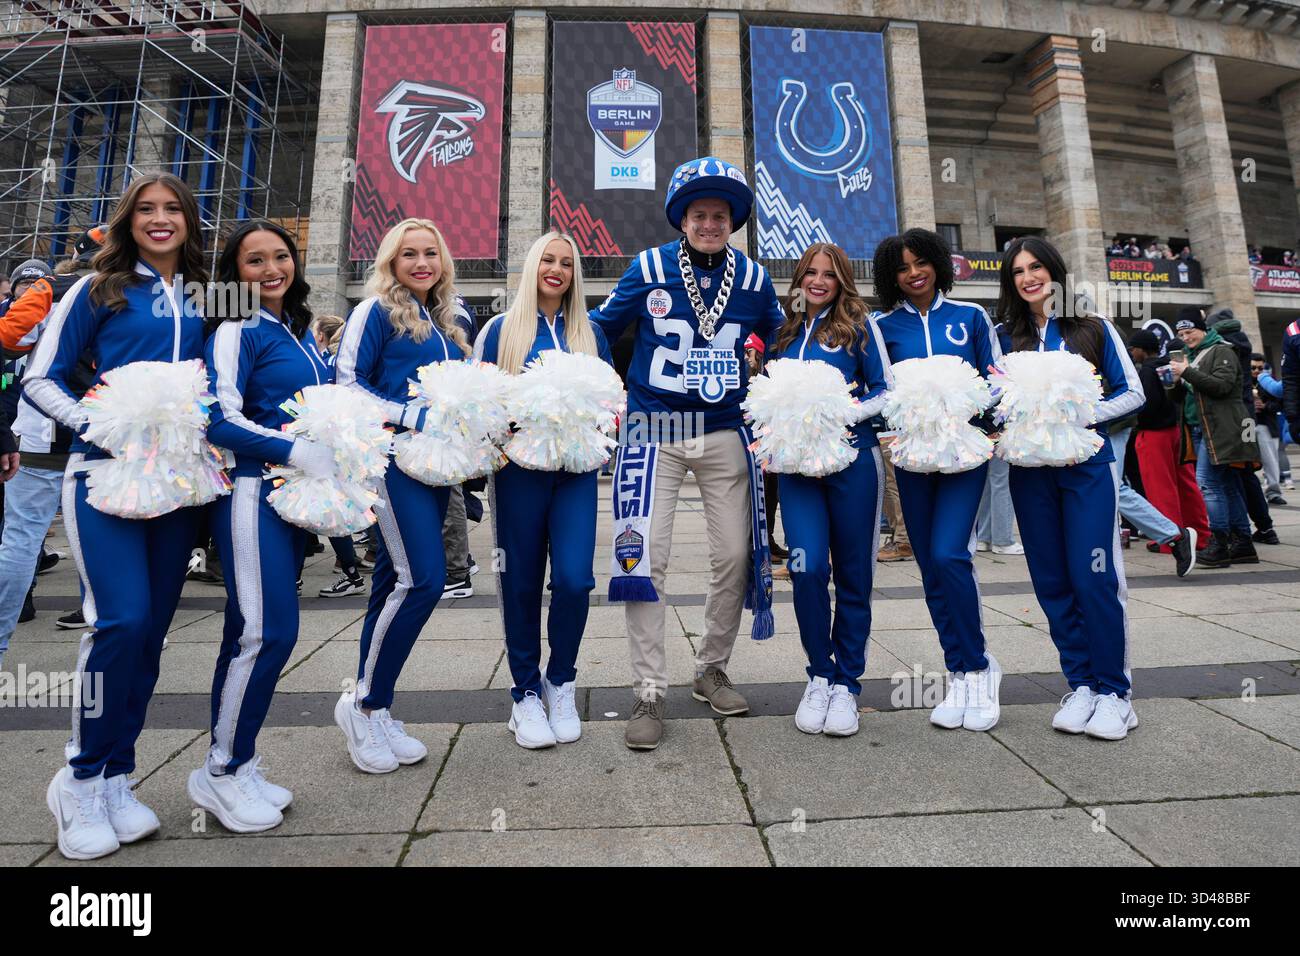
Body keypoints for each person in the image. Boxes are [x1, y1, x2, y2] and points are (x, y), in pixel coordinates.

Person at [26, 172, 208, 860]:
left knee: (152, 634)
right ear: (128, 220)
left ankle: (117, 774)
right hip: (102, 475)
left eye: (172, 211)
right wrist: (92, 426)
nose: (160, 220)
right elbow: (42, 375)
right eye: (146, 211)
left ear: (189, 221)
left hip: (177, 481)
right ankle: (77, 778)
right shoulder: (97, 289)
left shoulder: (202, 295)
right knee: (119, 621)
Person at [589, 156, 785, 751]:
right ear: (682, 218)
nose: (709, 223)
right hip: (653, 426)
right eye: (699, 214)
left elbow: (779, 338)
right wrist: (602, 386)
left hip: (724, 426)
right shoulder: (648, 266)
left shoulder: (753, 279)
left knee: (734, 554)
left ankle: (711, 667)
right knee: (643, 558)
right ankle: (649, 687)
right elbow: (601, 324)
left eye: (719, 215)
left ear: (733, 221)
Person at [189, 220, 331, 832]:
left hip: (291, 498)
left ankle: (236, 760)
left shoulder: (294, 329)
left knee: (247, 633)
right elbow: (215, 418)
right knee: (269, 632)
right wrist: (295, 451)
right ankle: (220, 770)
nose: (272, 269)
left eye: (281, 256)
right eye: (255, 260)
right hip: (251, 491)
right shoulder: (234, 327)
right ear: (234, 271)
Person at [332, 217, 469, 773]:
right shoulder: (374, 311)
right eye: (408, 253)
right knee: (425, 580)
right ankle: (364, 701)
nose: (420, 262)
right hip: (390, 462)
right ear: (390, 260)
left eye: (430, 253)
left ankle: (375, 704)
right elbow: (347, 384)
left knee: (392, 582)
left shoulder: (444, 320)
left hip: (433, 468)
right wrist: (411, 414)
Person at [996, 236, 1146, 739]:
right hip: (1030, 472)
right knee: (1052, 580)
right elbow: (992, 400)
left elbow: (1132, 393)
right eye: (1018, 271)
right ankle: (1080, 682)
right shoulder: (1003, 336)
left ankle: (1115, 693)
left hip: (1087, 467)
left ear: (1055, 272)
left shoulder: (1093, 328)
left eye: (1036, 266)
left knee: (1094, 577)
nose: (1028, 277)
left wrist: (1077, 416)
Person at [474, 232, 612, 749]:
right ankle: (524, 693)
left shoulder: (589, 332)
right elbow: (481, 402)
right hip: (517, 474)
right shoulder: (500, 330)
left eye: (567, 263)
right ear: (532, 266)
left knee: (576, 580)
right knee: (521, 583)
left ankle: (561, 681)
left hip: (575, 473)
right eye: (548, 261)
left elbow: (607, 400)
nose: (557, 270)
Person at [873, 227, 1003, 733]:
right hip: (911, 458)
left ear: (937, 263)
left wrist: (964, 410)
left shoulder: (970, 317)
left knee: (951, 554)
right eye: (902, 268)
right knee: (929, 563)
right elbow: (881, 389)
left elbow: (997, 381)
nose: (913, 274)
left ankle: (979, 665)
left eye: (920, 262)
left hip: (965, 455)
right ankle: (960, 671)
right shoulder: (883, 327)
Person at [767, 243, 888, 737]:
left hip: (852, 463)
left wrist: (842, 412)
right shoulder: (785, 330)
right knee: (808, 566)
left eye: (829, 274)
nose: (818, 282)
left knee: (855, 576)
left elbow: (886, 389)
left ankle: (848, 685)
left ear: (842, 280)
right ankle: (819, 672)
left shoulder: (860, 325)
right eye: (811, 273)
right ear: (799, 278)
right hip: (797, 470)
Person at [1168, 311, 1260, 567]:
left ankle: (1218, 543)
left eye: (1190, 332)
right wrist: (1174, 381)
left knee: (1207, 483)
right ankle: (1242, 543)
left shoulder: (1222, 351)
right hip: (1202, 428)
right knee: (1227, 485)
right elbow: (1182, 399)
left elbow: (1221, 386)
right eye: (1181, 334)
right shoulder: (1193, 356)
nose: (1186, 338)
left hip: (1222, 427)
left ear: (1203, 329)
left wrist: (1187, 372)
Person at [1128, 329, 1209, 560]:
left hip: (1153, 434)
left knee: (1160, 488)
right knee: (1187, 485)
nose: (1132, 353)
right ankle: (1201, 535)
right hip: (1176, 431)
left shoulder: (1146, 372)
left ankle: (1168, 539)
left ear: (1143, 349)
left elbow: (1147, 405)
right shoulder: (1170, 366)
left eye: (1134, 348)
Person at [1207, 308, 1275, 547]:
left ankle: (1256, 527)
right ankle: (1265, 527)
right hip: (1247, 418)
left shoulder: (1226, 346)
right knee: (1246, 471)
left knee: (1237, 473)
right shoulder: (1242, 342)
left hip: (1235, 417)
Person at [1252, 354, 1287, 505]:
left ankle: (1273, 491)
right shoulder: (1241, 382)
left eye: (1260, 368)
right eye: (1253, 367)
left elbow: (1280, 403)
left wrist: (1266, 406)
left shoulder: (1268, 382)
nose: (1256, 370)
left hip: (1266, 424)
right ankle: (1250, 490)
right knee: (1245, 459)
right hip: (1247, 424)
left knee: (1271, 460)